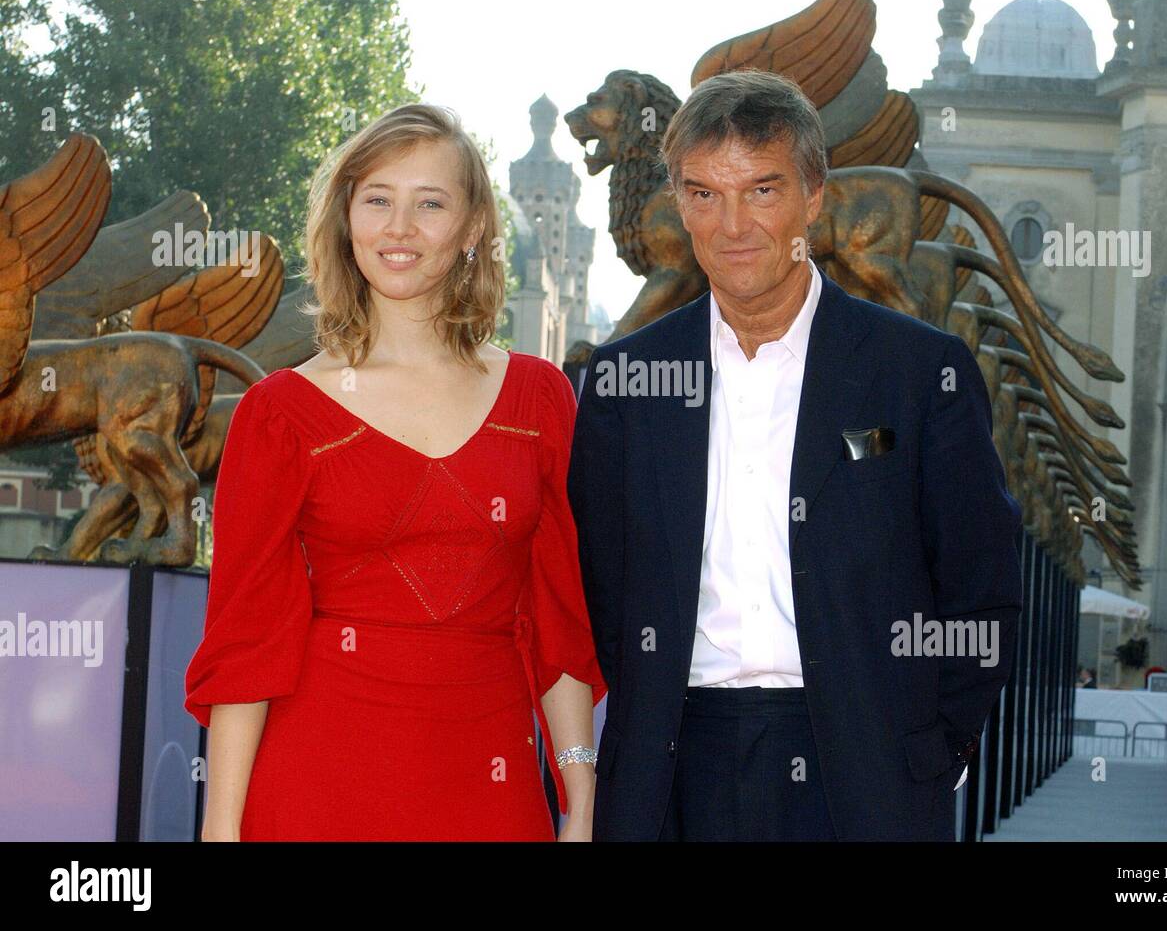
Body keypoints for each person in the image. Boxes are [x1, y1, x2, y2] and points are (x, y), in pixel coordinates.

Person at [568, 70, 1023, 841]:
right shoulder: (624, 382)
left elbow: (981, 585)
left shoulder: (920, 374)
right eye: (704, 193)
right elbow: (599, 589)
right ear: (679, 203)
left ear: (814, 197)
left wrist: (935, 749)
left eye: (762, 190)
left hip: (864, 771)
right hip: (672, 772)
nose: (732, 223)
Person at [184, 103, 606, 841]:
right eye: (377, 199)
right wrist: (220, 835)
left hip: (490, 786)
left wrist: (579, 792)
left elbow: (557, 612)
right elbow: (247, 647)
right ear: (347, 219)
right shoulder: (280, 414)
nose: (399, 228)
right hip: (317, 785)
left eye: (430, 203)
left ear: (474, 226)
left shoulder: (540, 399)